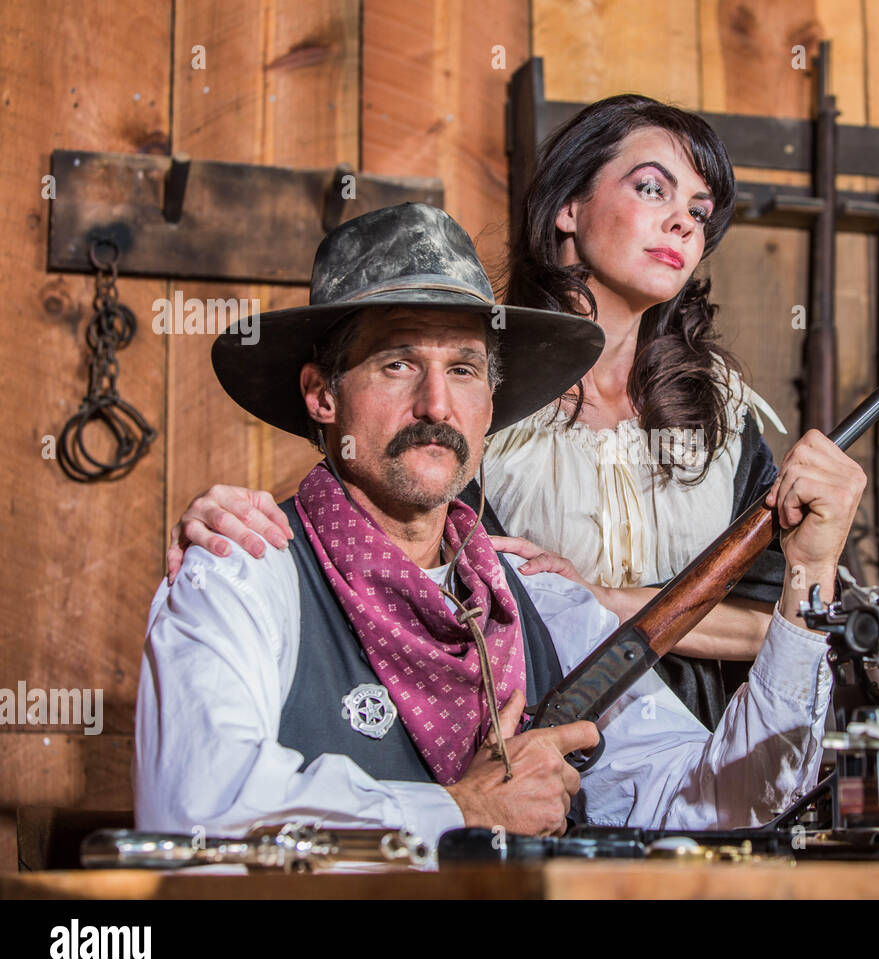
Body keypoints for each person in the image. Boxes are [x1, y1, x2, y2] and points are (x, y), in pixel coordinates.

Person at [135, 203, 865, 853]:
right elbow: (192, 814)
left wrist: (808, 577)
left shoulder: (545, 607)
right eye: (397, 364)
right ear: (323, 395)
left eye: (464, 369)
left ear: (490, 402)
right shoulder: (240, 572)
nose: (436, 405)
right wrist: (457, 809)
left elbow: (726, 800)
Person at [164, 95, 793, 730]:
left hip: (707, 770)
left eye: (699, 211)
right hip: (525, 755)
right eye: (654, 188)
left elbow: (782, 623)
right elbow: (389, 548)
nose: (685, 223)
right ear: (569, 207)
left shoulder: (721, 417)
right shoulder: (474, 402)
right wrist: (239, 533)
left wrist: (599, 603)